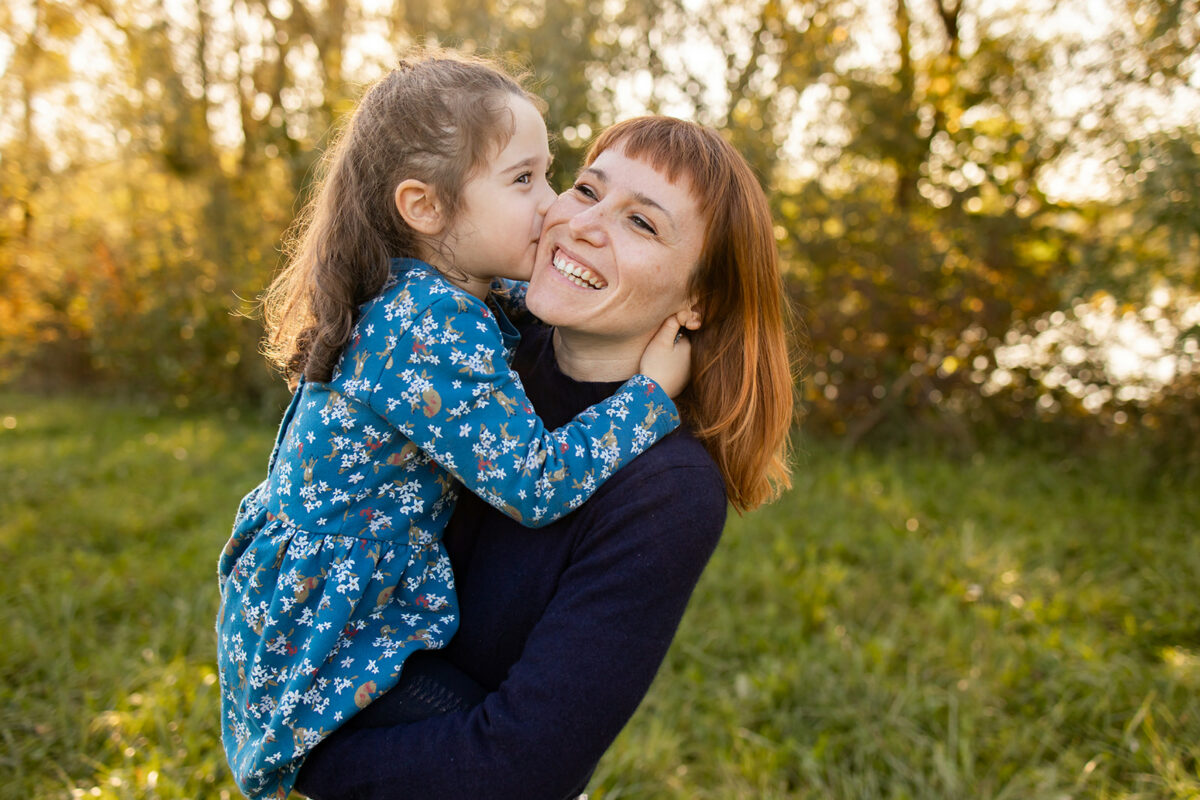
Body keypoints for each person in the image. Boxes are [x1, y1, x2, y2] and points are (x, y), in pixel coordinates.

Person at [214, 55, 694, 800]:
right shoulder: (430, 325)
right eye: (523, 180)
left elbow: (512, 310)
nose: (553, 206)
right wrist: (648, 398)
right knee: (514, 769)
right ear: (426, 207)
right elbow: (533, 481)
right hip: (328, 637)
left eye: (550, 175)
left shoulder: (429, 292)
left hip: (323, 612)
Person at [293, 115, 796, 799]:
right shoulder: (470, 355)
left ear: (698, 300)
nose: (584, 225)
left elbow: (521, 768)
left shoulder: (667, 490)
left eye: (641, 223)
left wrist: (304, 760)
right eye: (586, 190)